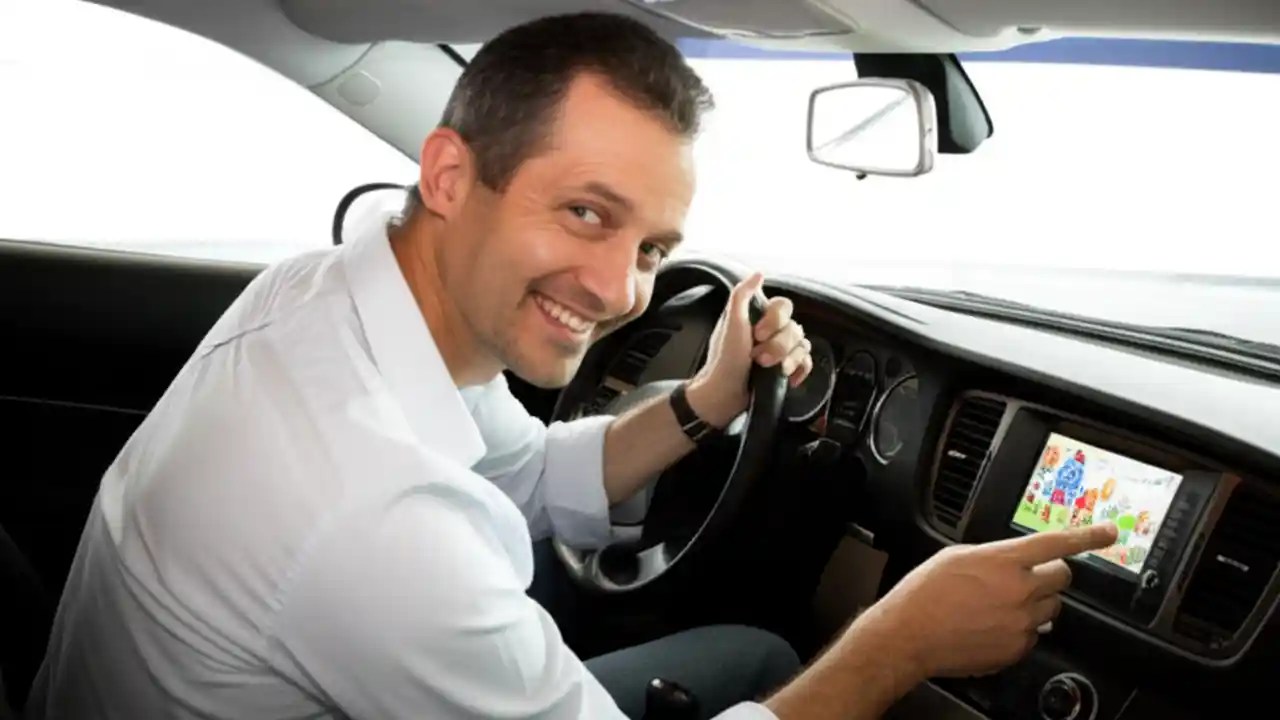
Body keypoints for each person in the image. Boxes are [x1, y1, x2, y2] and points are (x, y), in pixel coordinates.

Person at [27, 11, 1119, 720]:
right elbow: (407, 531)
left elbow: (529, 471)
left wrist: (704, 402)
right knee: (758, 656)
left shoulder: (323, 300)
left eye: (651, 249)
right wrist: (898, 641)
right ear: (451, 175)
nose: (617, 292)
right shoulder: (373, 524)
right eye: (584, 214)